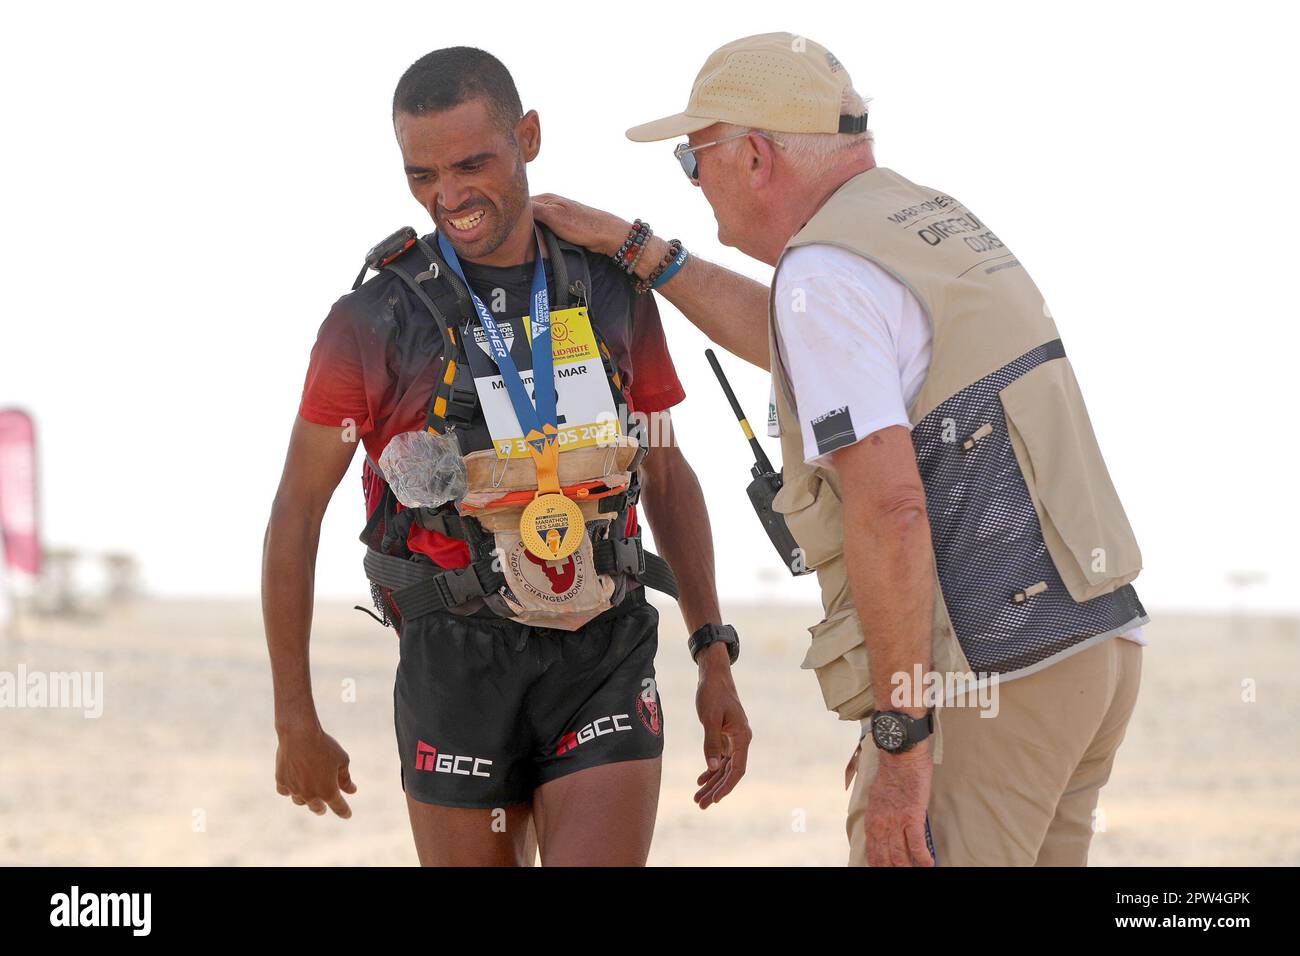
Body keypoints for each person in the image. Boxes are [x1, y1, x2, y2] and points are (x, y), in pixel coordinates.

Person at [535, 32, 1148, 866]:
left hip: (992, 668)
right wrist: (645, 253)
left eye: (692, 157)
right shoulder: (917, 225)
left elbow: (891, 508)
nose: (694, 179)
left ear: (752, 155)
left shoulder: (825, 274)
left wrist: (901, 734)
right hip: (1092, 652)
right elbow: (802, 340)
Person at [261, 46, 751, 867]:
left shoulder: (607, 285)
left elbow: (664, 468)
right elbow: (295, 514)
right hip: (454, 660)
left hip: (604, 646)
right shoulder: (370, 320)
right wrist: (293, 718)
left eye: (471, 164)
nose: (449, 197)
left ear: (528, 136)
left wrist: (712, 652)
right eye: (422, 175)